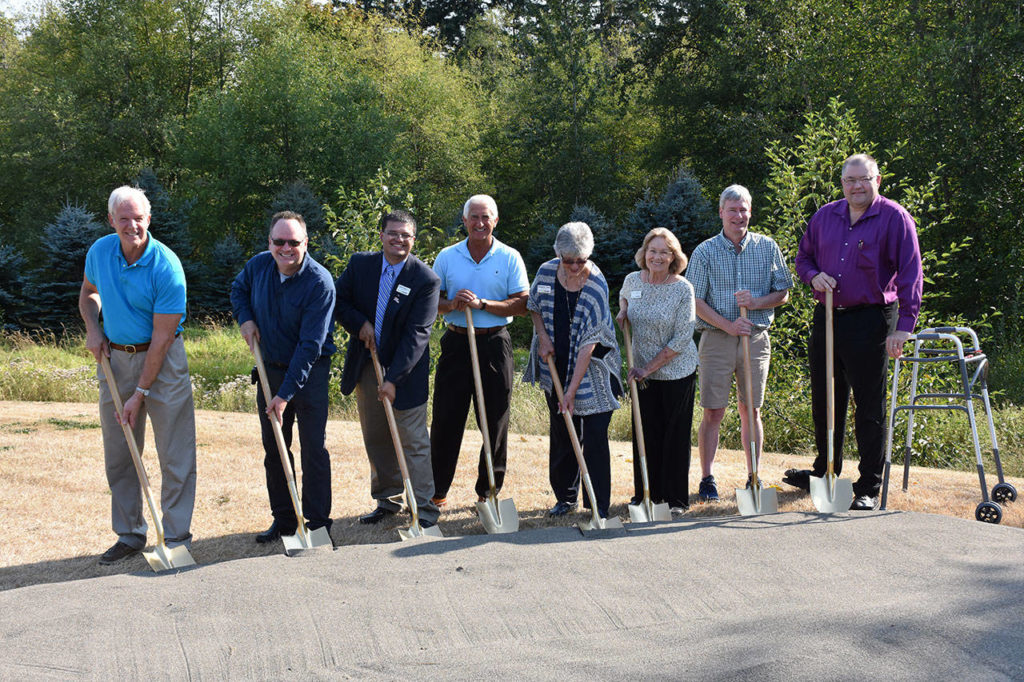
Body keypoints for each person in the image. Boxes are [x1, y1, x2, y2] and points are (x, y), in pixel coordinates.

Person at [789, 153, 923, 510]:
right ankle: (825, 472)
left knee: (868, 406)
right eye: (850, 180)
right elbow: (804, 258)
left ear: (877, 180)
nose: (857, 186)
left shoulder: (895, 218)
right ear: (842, 183)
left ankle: (867, 486)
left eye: (864, 179)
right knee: (826, 401)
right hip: (828, 317)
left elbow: (911, 274)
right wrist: (812, 276)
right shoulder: (824, 216)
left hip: (872, 320)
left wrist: (903, 328)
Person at [79, 185, 197, 565]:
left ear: (150, 219)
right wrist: (93, 327)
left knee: (174, 452)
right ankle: (130, 534)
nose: (132, 225)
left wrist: (140, 392)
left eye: (138, 218)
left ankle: (176, 537)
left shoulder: (167, 266)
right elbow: (88, 293)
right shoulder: (100, 252)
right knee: (120, 450)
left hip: (163, 363)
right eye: (123, 218)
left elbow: (162, 338)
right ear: (111, 220)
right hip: (115, 359)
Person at [231, 211, 336, 542]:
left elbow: (310, 347)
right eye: (280, 241)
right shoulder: (258, 266)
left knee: (313, 449)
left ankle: (318, 524)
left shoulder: (320, 283)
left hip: (309, 374)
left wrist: (285, 395)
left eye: (294, 242)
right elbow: (238, 290)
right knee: (275, 448)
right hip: (269, 370)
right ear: (270, 243)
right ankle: (285, 520)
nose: (286, 248)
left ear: (305, 243)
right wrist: (245, 319)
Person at [335, 210, 441, 528]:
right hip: (367, 365)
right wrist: (360, 324)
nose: (399, 239)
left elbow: (418, 335)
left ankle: (424, 511)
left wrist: (393, 379)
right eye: (393, 233)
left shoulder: (425, 279)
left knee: (413, 440)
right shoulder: (359, 265)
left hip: (406, 371)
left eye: (406, 235)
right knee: (376, 436)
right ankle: (387, 499)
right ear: (381, 235)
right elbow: (339, 301)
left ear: (413, 239)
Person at [687, 185, 792, 502]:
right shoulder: (705, 251)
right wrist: (729, 325)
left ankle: (754, 477)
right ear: (721, 212)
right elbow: (695, 299)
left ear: (750, 211)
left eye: (743, 209)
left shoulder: (767, 247)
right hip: (717, 339)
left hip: (755, 339)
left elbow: (783, 292)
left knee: (751, 410)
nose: (738, 215)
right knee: (713, 411)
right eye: (732, 209)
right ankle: (707, 479)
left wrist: (757, 303)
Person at [429, 194, 529, 506]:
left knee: (495, 420)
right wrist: (452, 304)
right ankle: (436, 493)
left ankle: (487, 494)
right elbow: (431, 301)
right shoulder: (447, 256)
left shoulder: (509, 257)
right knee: (446, 417)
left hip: (495, 343)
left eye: (486, 217)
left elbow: (523, 304)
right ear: (464, 221)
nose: (480, 223)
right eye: (474, 217)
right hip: (457, 341)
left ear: (496, 221)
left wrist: (482, 304)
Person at [524, 222, 621, 518]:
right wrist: (542, 336)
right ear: (558, 255)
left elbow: (589, 344)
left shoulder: (596, 284)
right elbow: (534, 307)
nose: (576, 266)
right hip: (553, 360)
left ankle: (598, 506)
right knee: (562, 433)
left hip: (592, 369)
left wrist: (572, 390)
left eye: (582, 260)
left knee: (593, 435)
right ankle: (565, 498)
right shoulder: (545, 272)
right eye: (569, 261)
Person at [616, 228, 698, 516]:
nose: (657, 256)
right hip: (642, 374)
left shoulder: (682, 288)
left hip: (677, 371)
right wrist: (623, 311)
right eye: (653, 250)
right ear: (644, 253)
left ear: (673, 257)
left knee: (674, 436)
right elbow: (624, 299)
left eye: (664, 251)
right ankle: (646, 494)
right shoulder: (631, 280)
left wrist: (647, 369)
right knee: (645, 433)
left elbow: (681, 338)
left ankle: (675, 500)